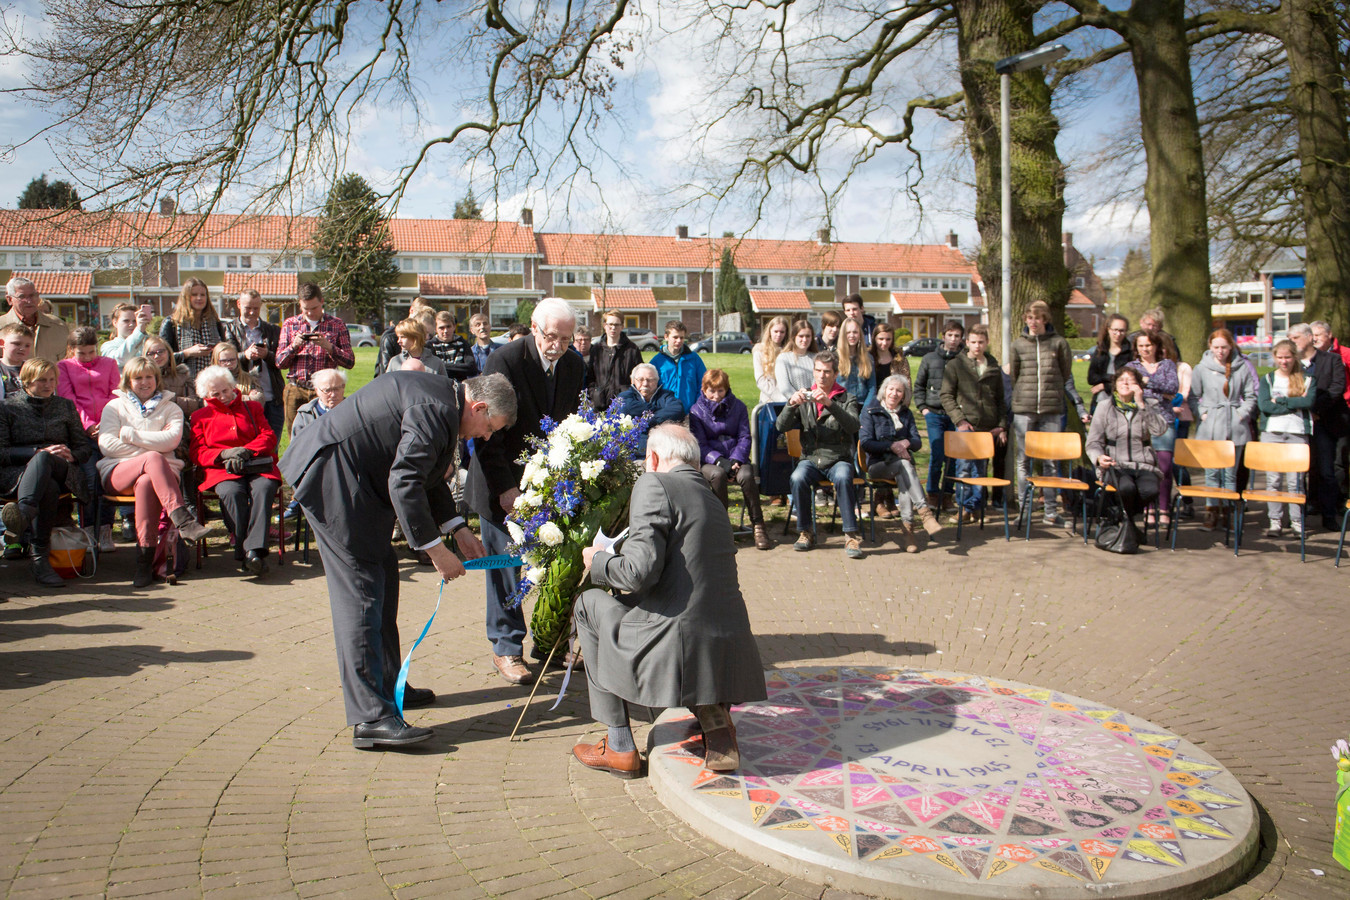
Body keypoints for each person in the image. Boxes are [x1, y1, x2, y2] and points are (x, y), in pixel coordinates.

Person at [282, 370, 516, 751]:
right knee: (362, 592)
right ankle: (371, 717)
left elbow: (427, 475)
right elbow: (405, 480)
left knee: (383, 579)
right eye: (490, 426)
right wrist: (435, 550)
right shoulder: (435, 409)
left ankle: (388, 684)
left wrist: (457, 528)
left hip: (354, 480)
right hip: (333, 479)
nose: (486, 436)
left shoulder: (445, 403)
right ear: (479, 406)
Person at [574, 423, 767, 777]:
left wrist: (598, 561)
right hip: (726, 643)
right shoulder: (711, 494)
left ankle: (619, 747)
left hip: (676, 639)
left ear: (654, 457)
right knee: (671, 608)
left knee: (588, 605)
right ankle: (711, 710)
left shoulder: (653, 482)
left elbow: (636, 574)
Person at [465, 298, 585, 685]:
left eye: (567, 339)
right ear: (534, 327)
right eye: (552, 337)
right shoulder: (505, 360)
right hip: (502, 478)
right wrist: (505, 488)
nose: (559, 346)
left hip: (548, 483)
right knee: (507, 566)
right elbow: (486, 432)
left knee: (555, 563)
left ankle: (549, 643)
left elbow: (569, 426)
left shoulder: (574, 364)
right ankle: (506, 647)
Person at [97, 357, 210, 586]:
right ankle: (183, 519)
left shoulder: (171, 408)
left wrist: (129, 435)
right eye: (138, 377)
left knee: (148, 480)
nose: (144, 382)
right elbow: (106, 444)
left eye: (149, 376)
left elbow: (171, 441)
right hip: (119, 471)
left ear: (157, 379)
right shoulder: (114, 407)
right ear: (128, 381)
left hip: (162, 476)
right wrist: (152, 446)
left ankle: (144, 563)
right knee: (153, 457)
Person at [0, 358, 93, 586]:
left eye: (52, 380)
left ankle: (22, 515)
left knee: (46, 461)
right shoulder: (8, 407)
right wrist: (36, 452)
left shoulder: (65, 406)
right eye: (42, 380)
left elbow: (84, 447)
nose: (48, 385)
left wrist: (72, 454)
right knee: (46, 483)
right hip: (20, 474)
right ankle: (40, 560)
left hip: (64, 471)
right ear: (26, 381)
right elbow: (2, 452)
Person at [190, 365, 281, 575]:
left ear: (233, 387)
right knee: (231, 492)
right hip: (222, 470)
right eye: (216, 393)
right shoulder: (200, 416)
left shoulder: (253, 408)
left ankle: (251, 551)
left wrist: (246, 451)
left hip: (257, 464)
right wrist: (223, 455)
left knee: (264, 488)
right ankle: (252, 553)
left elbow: (268, 436)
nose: (223, 396)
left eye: (226, 390)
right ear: (206, 395)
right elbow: (197, 452)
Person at [776, 350, 864, 558]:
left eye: (826, 372)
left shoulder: (846, 398)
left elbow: (853, 426)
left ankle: (851, 535)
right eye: (818, 371)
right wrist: (791, 404)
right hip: (811, 458)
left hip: (838, 458)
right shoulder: (805, 395)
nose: (821, 376)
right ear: (813, 372)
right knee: (798, 477)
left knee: (843, 476)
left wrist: (830, 404)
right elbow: (780, 426)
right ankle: (806, 531)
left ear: (835, 374)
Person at [1009, 302, 1088, 527]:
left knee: (1051, 461)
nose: (1033, 322)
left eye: (1038, 318)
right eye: (1029, 318)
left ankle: (1051, 511)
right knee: (1023, 460)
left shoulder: (1059, 343)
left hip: (1052, 409)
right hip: (1024, 408)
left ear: (1045, 319)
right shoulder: (1018, 345)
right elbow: (1015, 375)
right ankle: (1024, 509)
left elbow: (1064, 373)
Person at [689, 368, 772, 550]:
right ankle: (722, 527)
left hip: (737, 458)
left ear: (727, 389)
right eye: (712, 391)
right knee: (718, 475)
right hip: (710, 462)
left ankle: (758, 525)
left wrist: (735, 460)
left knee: (747, 476)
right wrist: (719, 460)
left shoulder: (739, 407)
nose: (716, 395)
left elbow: (744, 437)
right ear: (704, 390)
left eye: (720, 390)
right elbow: (700, 444)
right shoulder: (696, 412)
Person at [1085, 368, 1169, 543]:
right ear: (1115, 385)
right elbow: (1093, 442)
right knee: (1127, 488)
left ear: (1138, 386)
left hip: (1144, 464)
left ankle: (1121, 519)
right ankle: (1128, 523)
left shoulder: (1150, 404)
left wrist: (1142, 405)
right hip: (1116, 464)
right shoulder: (1104, 407)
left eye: (1130, 381)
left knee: (1150, 489)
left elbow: (1159, 430)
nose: (1125, 383)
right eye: (1121, 380)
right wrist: (1099, 458)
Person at [57, 326, 121, 550]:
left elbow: (115, 394)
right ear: (71, 350)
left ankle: (105, 530)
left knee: (106, 481)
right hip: (81, 434)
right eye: (81, 353)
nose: (86, 357)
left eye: (91, 352)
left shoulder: (110, 364)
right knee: (89, 480)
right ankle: (87, 530)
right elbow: (68, 399)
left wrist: (106, 423)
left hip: (109, 429)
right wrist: (88, 425)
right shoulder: (64, 367)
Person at [1188, 329, 1257, 532]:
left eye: (1224, 347)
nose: (1220, 351)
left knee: (1230, 474)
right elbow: (1193, 396)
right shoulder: (1201, 368)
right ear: (1210, 347)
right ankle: (1211, 513)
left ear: (1231, 347)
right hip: (1211, 425)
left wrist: (1241, 414)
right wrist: (1202, 413)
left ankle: (1228, 514)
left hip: (1235, 425)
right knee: (1212, 473)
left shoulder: (1242, 366)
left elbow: (1251, 395)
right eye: (1216, 347)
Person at [861, 374, 940, 552]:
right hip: (877, 466)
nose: (894, 394)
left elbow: (917, 442)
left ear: (903, 395)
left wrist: (907, 443)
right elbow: (866, 443)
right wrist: (892, 446)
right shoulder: (870, 411)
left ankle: (909, 534)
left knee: (904, 477)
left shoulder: (906, 414)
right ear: (884, 391)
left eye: (899, 391)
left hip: (901, 467)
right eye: (891, 389)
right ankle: (925, 513)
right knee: (905, 466)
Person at [939, 323, 1008, 521]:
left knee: (980, 469)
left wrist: (1002, 425)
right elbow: (946, 395)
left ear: (986, 343)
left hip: (987, 427)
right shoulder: (955, 365)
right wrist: (959, 420)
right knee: (964, 467)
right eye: (973, 342)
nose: (977, 346)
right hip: (965, 425)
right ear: (966, 342)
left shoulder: (993, 367)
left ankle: (976, 507)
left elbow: (1001, 400)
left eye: (981, 342)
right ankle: (963, 507)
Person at [275, 282, 355, 437]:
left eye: (314, 308)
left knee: (329, 433)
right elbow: (279, 362)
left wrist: (329, 346)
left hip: (325, 392)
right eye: (306, 309)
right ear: (300, 305)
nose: (310, 313)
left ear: (322, 302)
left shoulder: (336, 325)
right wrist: (295, 345)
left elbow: (349, 361)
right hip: (296, 389)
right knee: (296, 437)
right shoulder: (290, 324)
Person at [1291, 322, 1347, 529]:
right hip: (1298, 424)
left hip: (1325, 422)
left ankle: (1329, 515)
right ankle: (1298, 516)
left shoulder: (1332, 360)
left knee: (1326, 470)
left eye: (1296, 337)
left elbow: (1336, 388)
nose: (1292, 342)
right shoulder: (1291, 363)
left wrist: (1316, 411)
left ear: (1308, 337)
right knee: (1299, 470)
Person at [1257, 339, 1315, 537]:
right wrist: (1294, 403)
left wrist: (1281, 400)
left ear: (1294, 357)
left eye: (1287, 357)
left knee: (1296, 481)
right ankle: (1275, 522)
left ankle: (1297, 522)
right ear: (1274, 358)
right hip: (1272, 433)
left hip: (1297, 433)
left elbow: (1308, 401)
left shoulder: (1307, 379)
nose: (1284, 361)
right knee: (1273, 480)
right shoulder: (1268, 379)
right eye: (1280, 357)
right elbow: (1265, 406)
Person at [1127, 331, 1180, 526]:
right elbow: (1129, 390)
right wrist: (1160, 391)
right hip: (1140, 422)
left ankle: (1164, 508)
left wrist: (1148, 382)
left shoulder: (1167, 365)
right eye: (1141, 346)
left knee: (1165, 467)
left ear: (1156, 346)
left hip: (1164, 420)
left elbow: (1173, 388)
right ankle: (1149, 508)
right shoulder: (1131, 367)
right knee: (1148, 468)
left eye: (1148, 345)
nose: (1145, 349)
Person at [914, 320, 964, 511]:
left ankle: (948, 495)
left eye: (957, 336)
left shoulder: (963, 360)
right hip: (934, 413)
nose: (953, 340)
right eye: (950, 335)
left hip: (956, 415)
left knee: (953, 457)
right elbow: (919, 385)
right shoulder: (930, 358)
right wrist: (923, 408)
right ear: (943, 336)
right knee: (937, 453)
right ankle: (933, 493)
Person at [223, 289, 284, 437]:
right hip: (244, 396)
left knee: (272, 443)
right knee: (247, 441)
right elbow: (223, 360)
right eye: (247, 308)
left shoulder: (273, 330)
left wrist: (267, 355)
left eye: (255, 308)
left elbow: (283, 360)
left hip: (272, 397)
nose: (251, 312)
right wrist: (245, 355)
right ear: (238, 304)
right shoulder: (228, 329)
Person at [1310, 320, 1350, 512]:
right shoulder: (1309, 358)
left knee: (1339, 459)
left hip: (1341, 412)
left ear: (1329, 335)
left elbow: (1339, 385)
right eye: (1312, 334)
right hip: (1317, 414)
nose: (1315, 338)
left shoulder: (1345, 354)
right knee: (1316, 459)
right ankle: (1316, 500)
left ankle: (1340, 500)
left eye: (1318, 334)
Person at [159, 278, 227, 379]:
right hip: (182, 382)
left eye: (202, 295)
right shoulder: (171, 323)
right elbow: (161, 359)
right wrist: (187, 353)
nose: (199, 298)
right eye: (194, 295)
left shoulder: (215, 322)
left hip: (212, 381)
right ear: (186, 297)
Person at [614, 363, 684, 453]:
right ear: (632, 381)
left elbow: (678, 410)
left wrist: (644, 421)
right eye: (640, 379)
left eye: (650, 380)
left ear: (657, 381)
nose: (645, 384)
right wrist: (659, 416)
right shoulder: (624, 397)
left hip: (664, 451)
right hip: (634, 453)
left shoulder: (666, 396)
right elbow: (627, 408)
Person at [0, 276, 69, 363]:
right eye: (22, 296)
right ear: (9, 299)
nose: (29, 301)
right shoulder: (2, 328)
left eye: (32, 295)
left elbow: (68, 363)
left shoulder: (58, 326)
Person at [589, 311, 644, 412]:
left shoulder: (632, 350)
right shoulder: (596, 349)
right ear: (604, 325)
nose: (613, 328)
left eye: (616, 325)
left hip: (624, 405)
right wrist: (594, 394)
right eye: (610, 324)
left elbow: (639, 377)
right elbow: (590, 376)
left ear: (622, 326)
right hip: (599, 404)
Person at [651, 321, 706, 414]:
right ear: (666, 337)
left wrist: (698, 407)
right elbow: (651, 390)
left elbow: (704, 384)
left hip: (690, 413)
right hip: (665, 414)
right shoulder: (656, 362)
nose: (679, 341)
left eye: (682, 337)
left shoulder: (694, 359)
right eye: (675, 337)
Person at [142, 335, 199, 418]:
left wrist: (169, 399)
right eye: (151, 353)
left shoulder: (182, 374)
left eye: (160, 351)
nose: (157, 356)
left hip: (178, 420)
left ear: (168, 352)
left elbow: (194, 404)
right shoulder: (141, 377)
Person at [1087, 314, 1133, 414]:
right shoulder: (1100, 350)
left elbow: (1129, 379)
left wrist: (1104, 385)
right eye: (1115, 330)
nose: (1118, 334)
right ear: (1108, 329)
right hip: (1101, 399)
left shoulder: (1130, 353)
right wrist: (1112, 380)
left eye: (1122, 330)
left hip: (1122, 399)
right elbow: (1092, 378)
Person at [837, 318, 877, 410]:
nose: (852, 335)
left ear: (860, 334)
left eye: (855, 332)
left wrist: (865, 412)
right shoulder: (835, 358)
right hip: (842, 407)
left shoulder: (868, 358)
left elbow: (872, 387)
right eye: (848, 332)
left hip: (863, 406)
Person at [752, 316, 790, 405]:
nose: (778, 335)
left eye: (782, 332)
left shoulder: (789, 352)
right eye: (776, 331)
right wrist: (777, 397)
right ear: (770, 331)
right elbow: (760, 380)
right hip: (768, 400)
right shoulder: (760, 351)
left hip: (788, 400)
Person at [774, 320, 817, 398]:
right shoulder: (783, 358)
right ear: (794, 337)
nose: (804, 340)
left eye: (808, 336)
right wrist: (801, 400)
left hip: (814, 405)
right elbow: (785, 388)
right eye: (801, 336)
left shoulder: (817, 358)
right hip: (792, 404)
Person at [429, 311, 478, 380]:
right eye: (441, 328)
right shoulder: (430, 345)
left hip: (460, 387)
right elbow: (433, 369)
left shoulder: (462, 343)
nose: (445, 331)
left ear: (454, 327)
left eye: (448, 326)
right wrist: (459, 368)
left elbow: (471, 369)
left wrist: (443, 366)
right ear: (435, 329)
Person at [100, 302, 152, 366]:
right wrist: (138, 331)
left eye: (134, 321)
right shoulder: (107, 346)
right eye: (126, 321)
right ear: (115, 322)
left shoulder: (147, 342)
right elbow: (119, 359)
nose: (131, 324)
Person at [870, 322, 912, 386]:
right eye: (881, 339)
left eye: (888, 339)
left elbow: (907, 383)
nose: (884, 343)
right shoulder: (867, 357)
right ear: (874, 339)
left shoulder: (899, 359)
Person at [0, 323, 33, 399]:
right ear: (2, 343)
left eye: (27, 346)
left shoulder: (33, 368)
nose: (22, 348)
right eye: (17, 344)